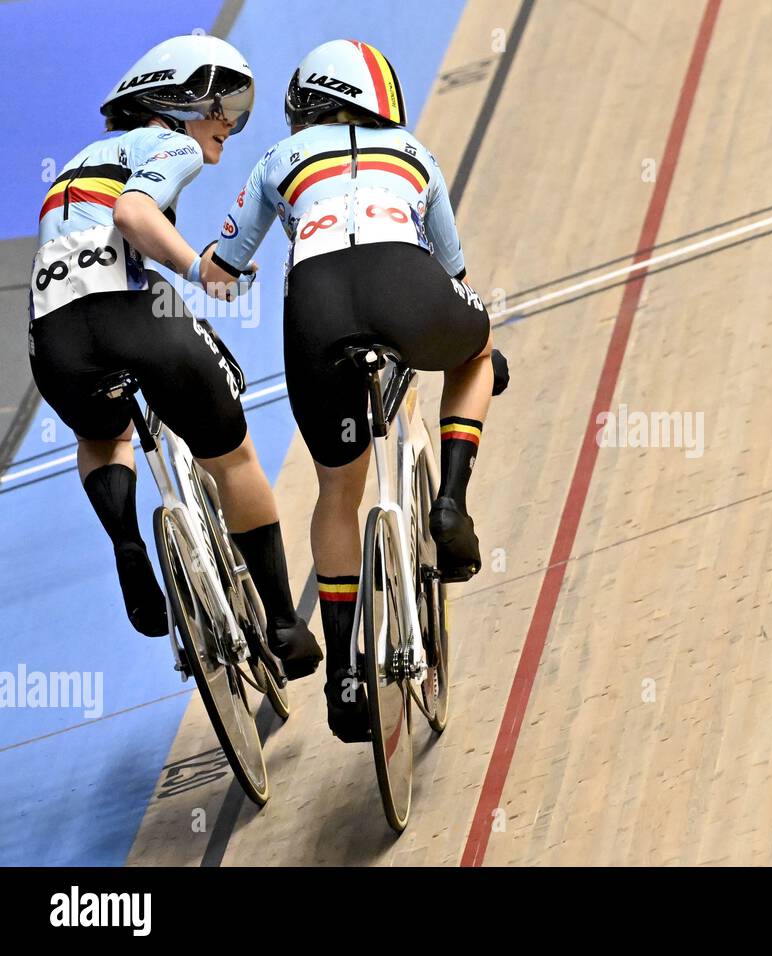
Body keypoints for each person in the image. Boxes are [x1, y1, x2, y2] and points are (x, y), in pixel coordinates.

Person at [205, 39, 496, 740]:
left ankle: (343, 677)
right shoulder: (415, 153)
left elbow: (227, 265)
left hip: (320, 309)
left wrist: (213, 267)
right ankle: (451, 506)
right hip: (410, 287)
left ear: (310, 105)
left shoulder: (281, 159)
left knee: (338, 491)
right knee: (478, 351)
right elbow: (454, 269)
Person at [28, 35, 321, 679]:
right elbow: (133, 213)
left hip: (52, 342)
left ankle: (128, 543)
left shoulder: (77, 163)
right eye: (227, 105)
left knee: (102, 435)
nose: (233, 124)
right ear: (179, 100)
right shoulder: (172, 142)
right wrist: (198, 270)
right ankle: (281, 621)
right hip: (132, 316)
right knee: (234, 454)